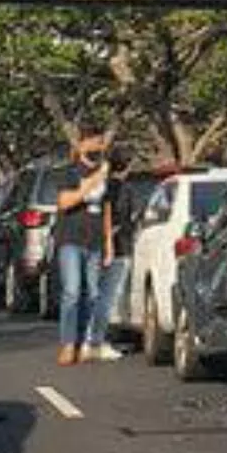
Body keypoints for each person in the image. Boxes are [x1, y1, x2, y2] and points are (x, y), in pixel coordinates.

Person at [54, 126, 116, 366]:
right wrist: (92, 182)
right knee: (71, 292)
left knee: (92, 294)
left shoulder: (104, 173)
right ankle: (68, 343)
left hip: (95, 241)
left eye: (99, 143)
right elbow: (64, 202)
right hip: (70, 239)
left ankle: (82, 342)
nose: (96, 147)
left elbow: (106, 209)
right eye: (91, 142)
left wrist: (109, 242)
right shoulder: (69, 172)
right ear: (80, 146)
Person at [86, 150, 135, 361]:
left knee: (94, 294)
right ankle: (96, 341)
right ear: (126, 166)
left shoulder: (100, 187)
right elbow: (124, 217)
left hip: (95, 246)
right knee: (107, 298)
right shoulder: (123, 189)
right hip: (117, 248)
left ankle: (88, 339)